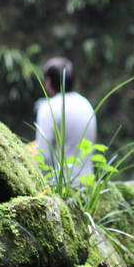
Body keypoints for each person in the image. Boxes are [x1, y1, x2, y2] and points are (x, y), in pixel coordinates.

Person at [34, 57, 98, 185]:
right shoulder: (85, 104)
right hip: (87, 183)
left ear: (48, 81)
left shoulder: (48, 107)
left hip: (61, 186)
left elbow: (44, 156)